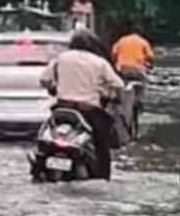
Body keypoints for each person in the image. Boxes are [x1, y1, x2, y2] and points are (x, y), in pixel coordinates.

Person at [39, 28, 125, 180]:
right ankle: (103, 177)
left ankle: (39, 163)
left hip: (61, 109)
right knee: (102, 143)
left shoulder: (61, 58)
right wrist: (112, 96)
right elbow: (118, 85)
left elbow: (44, 80)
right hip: (89, 111)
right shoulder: (99, 62)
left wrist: (53, 88)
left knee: (45, 133)